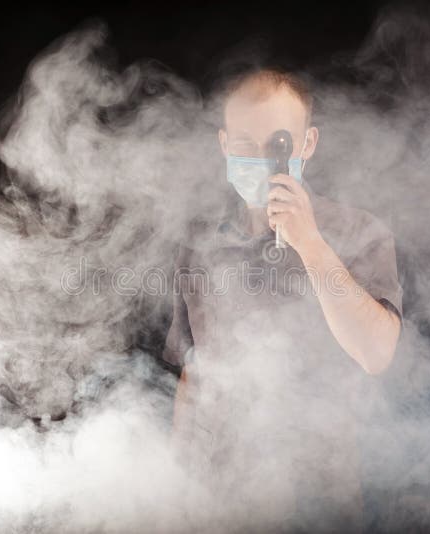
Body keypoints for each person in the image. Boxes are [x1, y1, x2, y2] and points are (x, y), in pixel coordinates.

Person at [162, 68, 403, 532]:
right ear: (225, 145)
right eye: (244, 145)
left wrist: (309, 241)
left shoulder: (360, 234)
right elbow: (193, 376)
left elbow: (377, 353)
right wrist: (178, 490)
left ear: (307, 145)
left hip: (318, 500)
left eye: (277, 144)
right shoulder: (199, 243)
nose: (259, 159)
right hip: (218, 500)